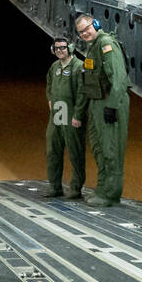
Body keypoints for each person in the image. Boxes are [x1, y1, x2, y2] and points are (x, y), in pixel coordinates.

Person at [73, 13, 128, 207]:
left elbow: (119, 79)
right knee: (99, 148)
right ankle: (103, 189)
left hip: (109, 101)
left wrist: (112, 106)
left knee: (110, 150)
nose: (85, 33)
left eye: (87, 28)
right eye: (81, 32)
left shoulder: (106, 44)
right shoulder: (92, 48)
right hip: (97, 103)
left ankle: (110, 194)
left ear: (95, 25)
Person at [44, 36, 86, 199]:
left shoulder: (78, 67)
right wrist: (49, 100)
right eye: (57, 48)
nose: (60, 51)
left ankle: (76, 188)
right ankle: (55, 187)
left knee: (75, 152)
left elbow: (83, 93)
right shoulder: (54, 67)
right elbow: (49, 85)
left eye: (62, 47)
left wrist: (78, 115)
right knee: (52, 150)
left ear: (70, 48)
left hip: (72, 114)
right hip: (56, 114)